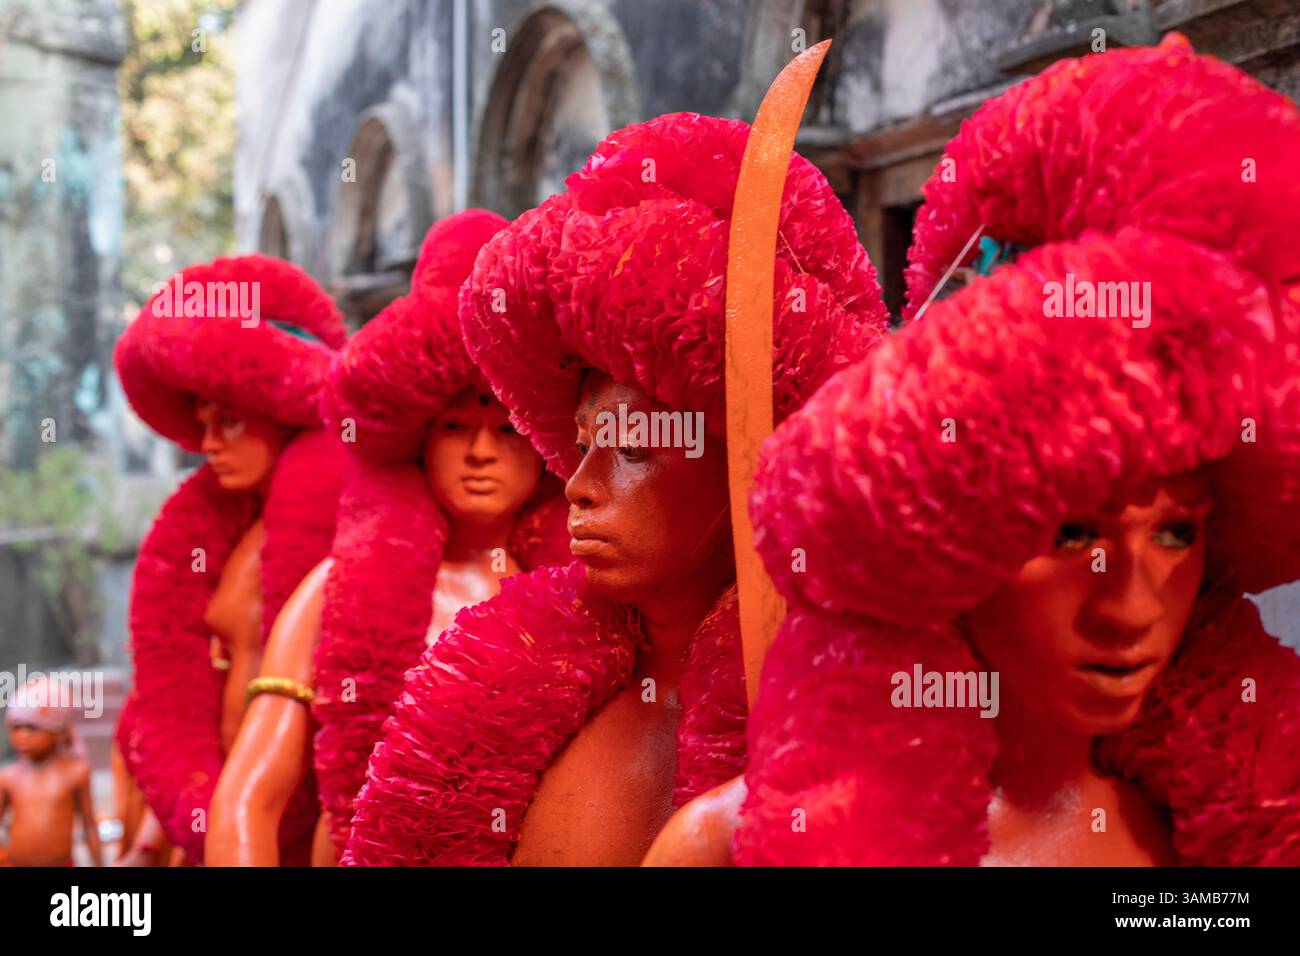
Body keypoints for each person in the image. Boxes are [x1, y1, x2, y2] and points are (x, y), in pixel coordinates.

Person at [647, 36, 1300, 866]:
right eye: (1071, 534)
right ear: (953, 527)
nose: (1129, 607)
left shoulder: (1243, 835)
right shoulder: (724, 845)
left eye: (1177, 533)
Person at [342, 111, 889, 866]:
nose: (581, 486)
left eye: (634, 447)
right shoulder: (492, 694)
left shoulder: (869, 714)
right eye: (585, 443)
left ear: (752, 460)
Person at [205, 211, 569, 866]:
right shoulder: (336, 588)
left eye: (506, 429)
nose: (481, 452)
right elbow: (248, 798)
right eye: (456, 428)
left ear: (542, 443)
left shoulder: (585, 600)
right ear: (419, 439)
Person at [113, 255, 351, 864]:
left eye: (229, 421)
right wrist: (152, 835)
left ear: (276, 406)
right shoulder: (215, 548)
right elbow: (170, 691)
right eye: (203, 424)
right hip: (213, 828)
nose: (210, 443)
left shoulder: (358, 532)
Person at [1, 678, 102, 867]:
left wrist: (98, 864)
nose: (22, 736)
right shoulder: (9, 777)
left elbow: (89, 825)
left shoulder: (75, 773)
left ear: (59, 730)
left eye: (31, 727)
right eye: (16, 727)